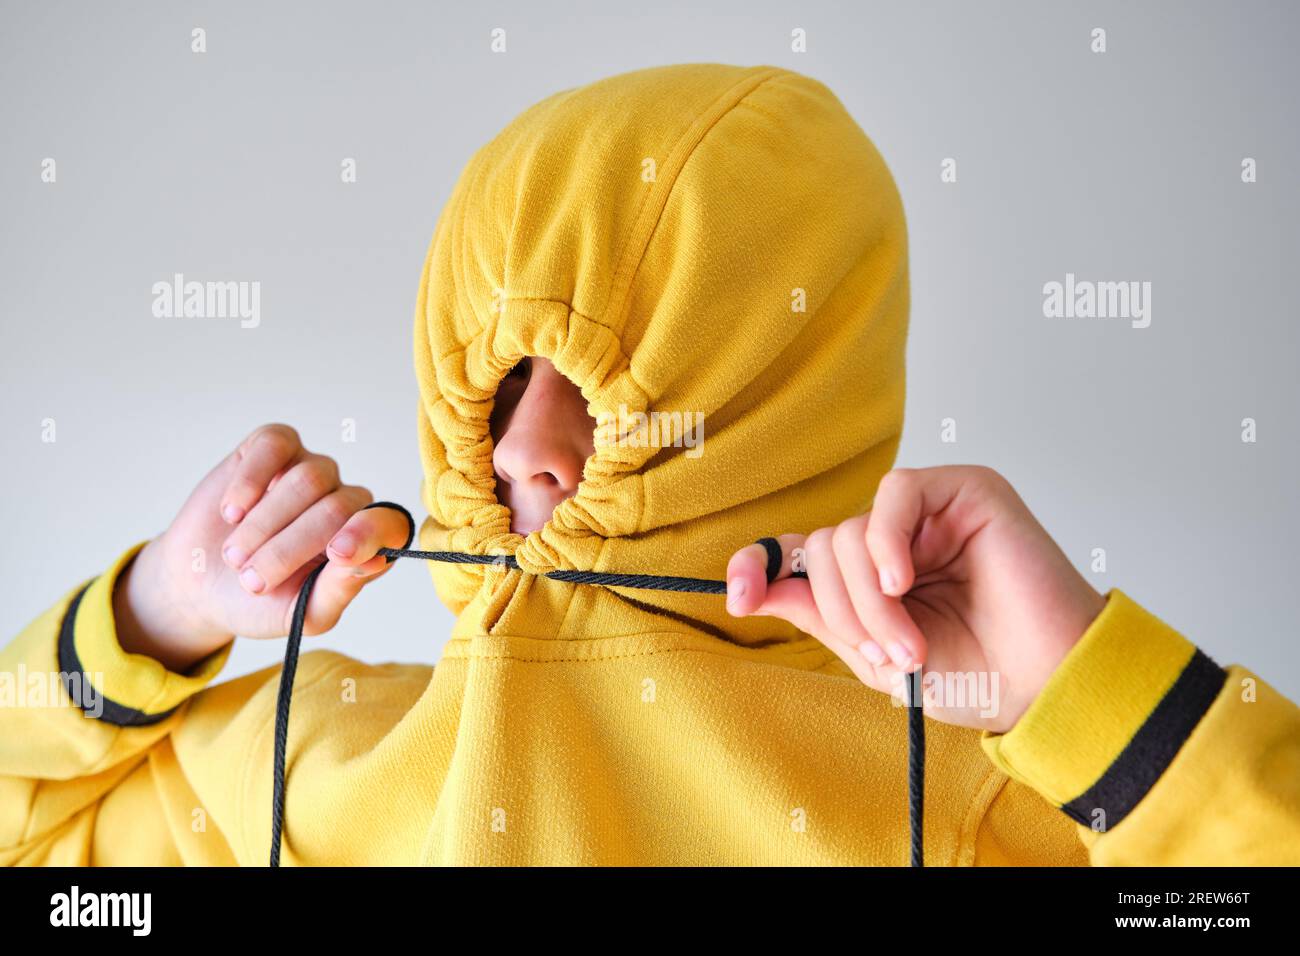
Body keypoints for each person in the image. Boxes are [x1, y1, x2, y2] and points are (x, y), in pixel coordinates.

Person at [3, 63, 1296, 866]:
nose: (524, 447)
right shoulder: (312, 750)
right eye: (501, 378)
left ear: (798, 392)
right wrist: (150, 620)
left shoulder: (962, 784)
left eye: (620, 379)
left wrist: (1083, 694)